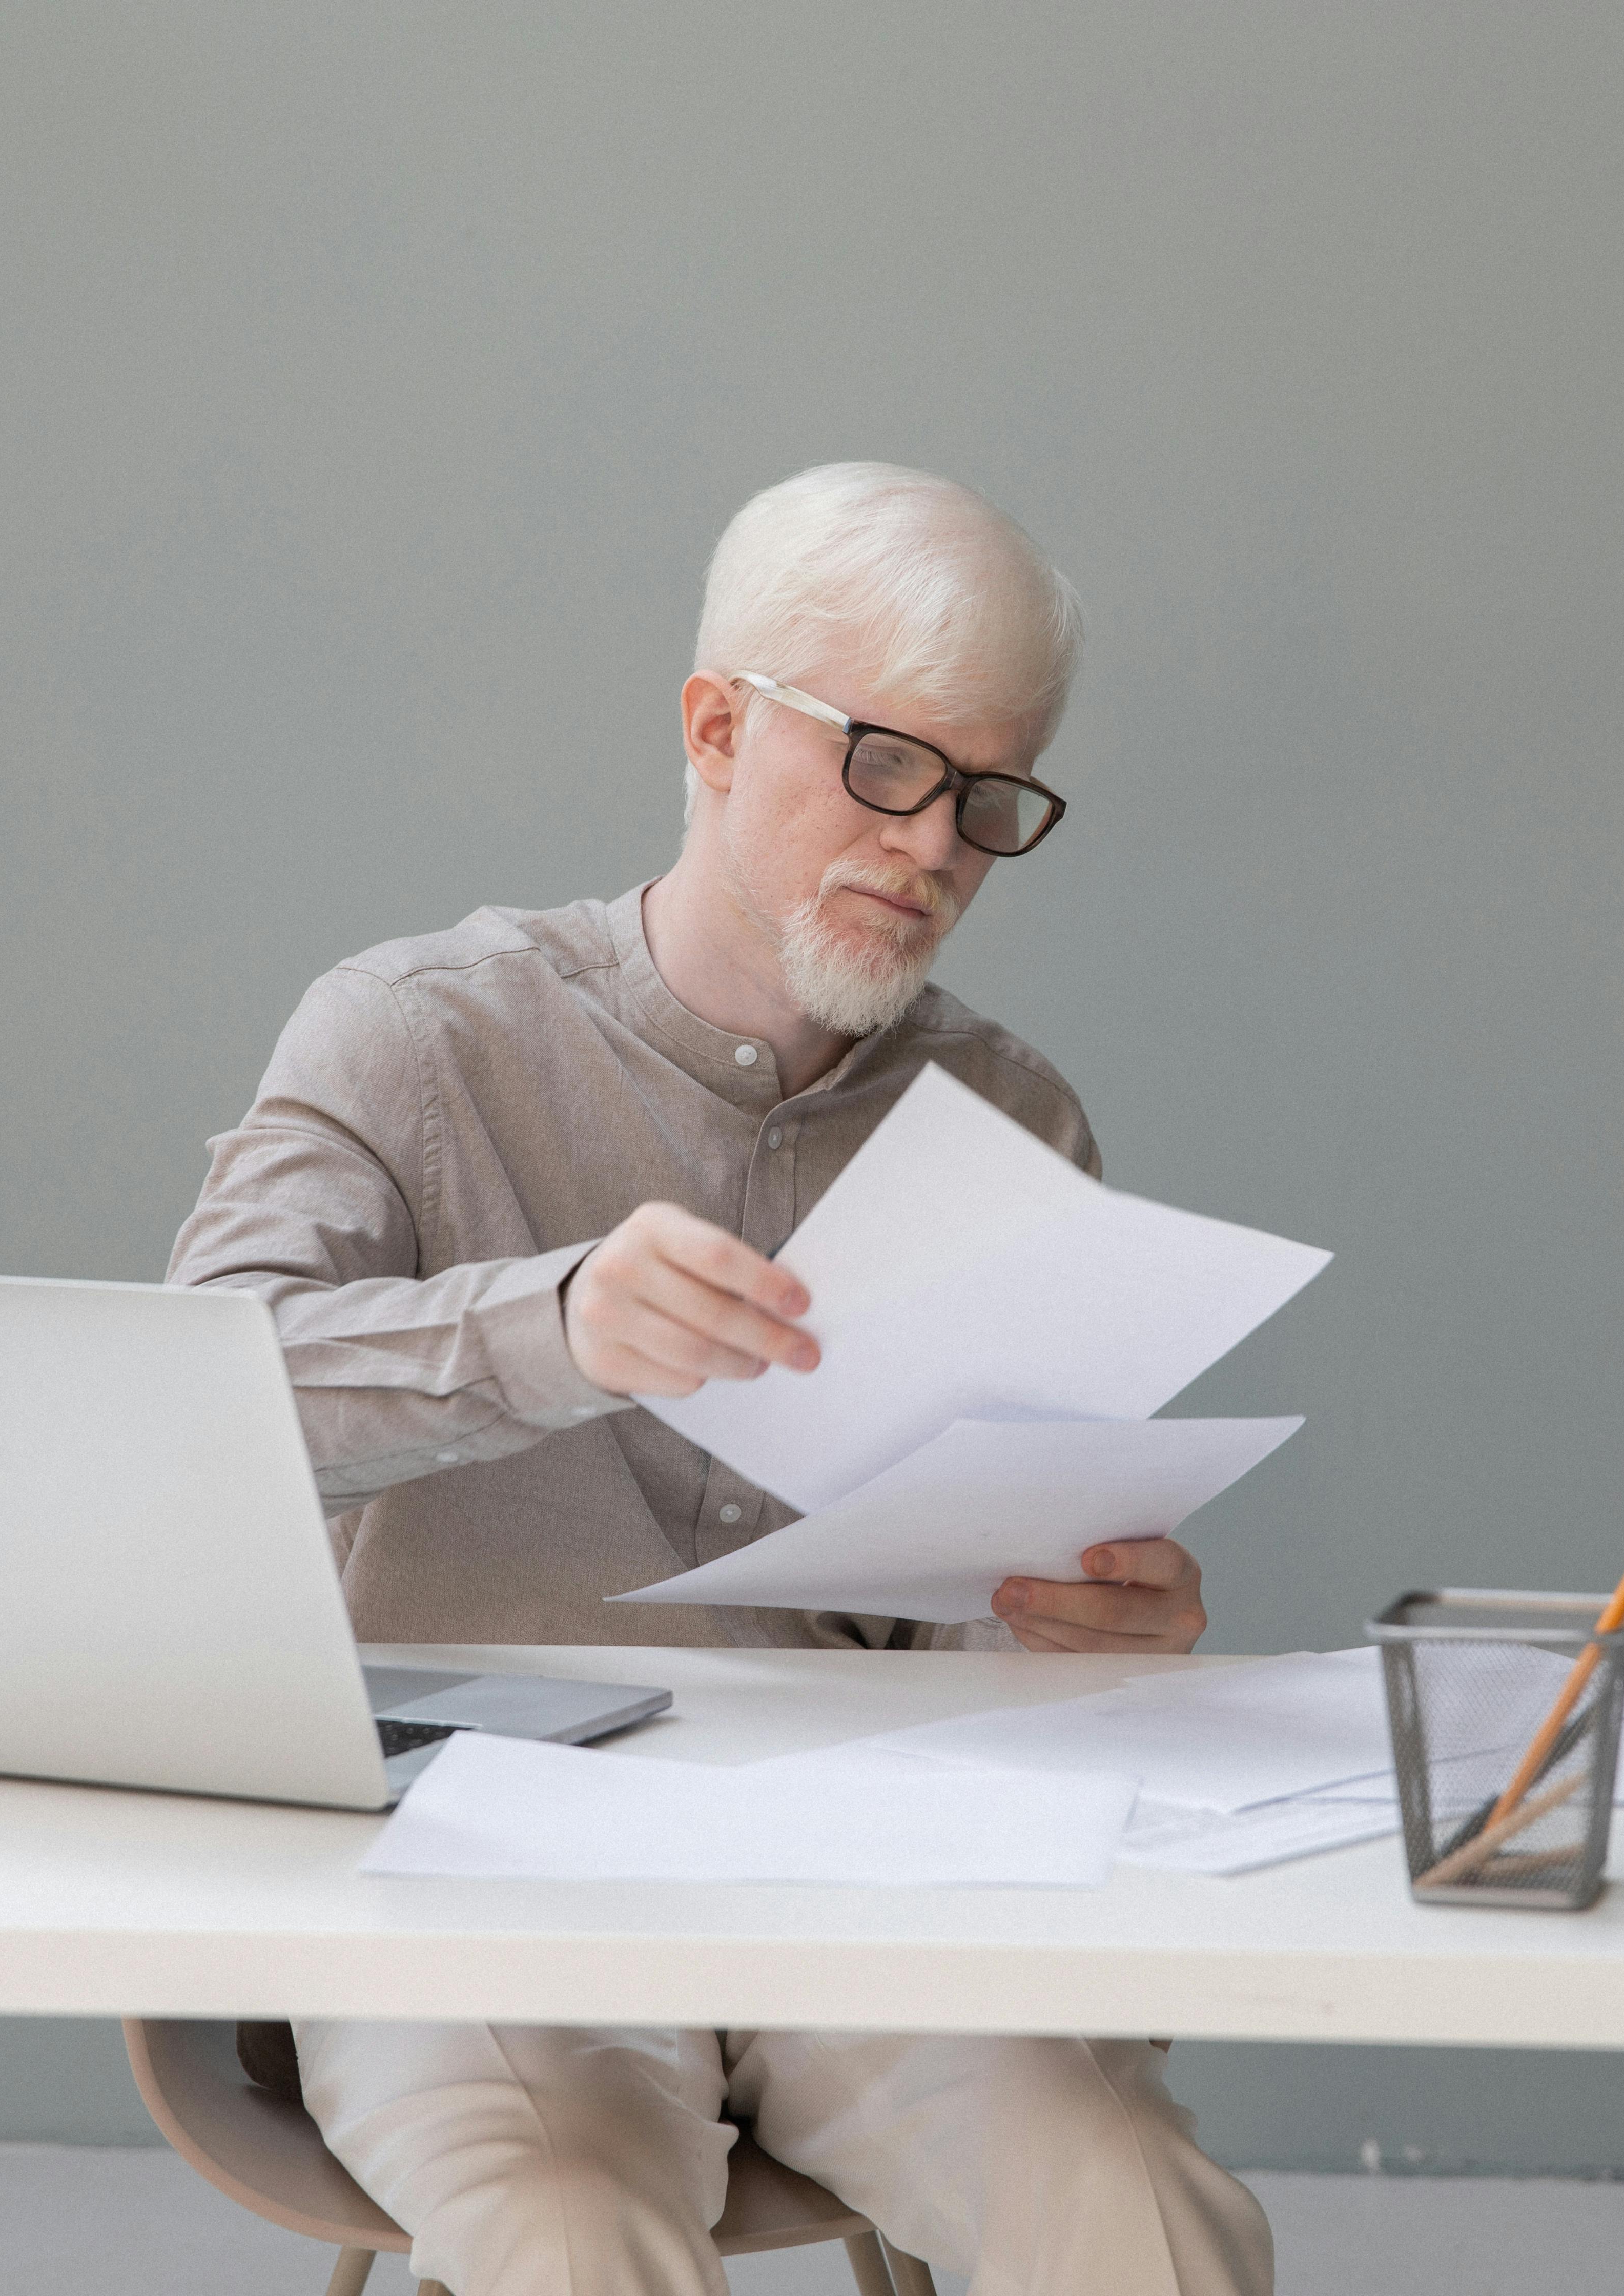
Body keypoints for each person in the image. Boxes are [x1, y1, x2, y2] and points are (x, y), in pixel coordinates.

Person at [168, 462, 1273, 2294]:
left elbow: (972, 1622)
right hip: (475, 1882)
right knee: (565, 2225)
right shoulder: (417, 1036)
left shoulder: (1013, 1117)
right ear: (716, 727)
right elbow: (192, 1420)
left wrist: (1079, 1628)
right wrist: (552, 1328)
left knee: (1130, 2200)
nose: (936, 845)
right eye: (886, 763)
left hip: (869, 1885)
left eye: (988, 794)